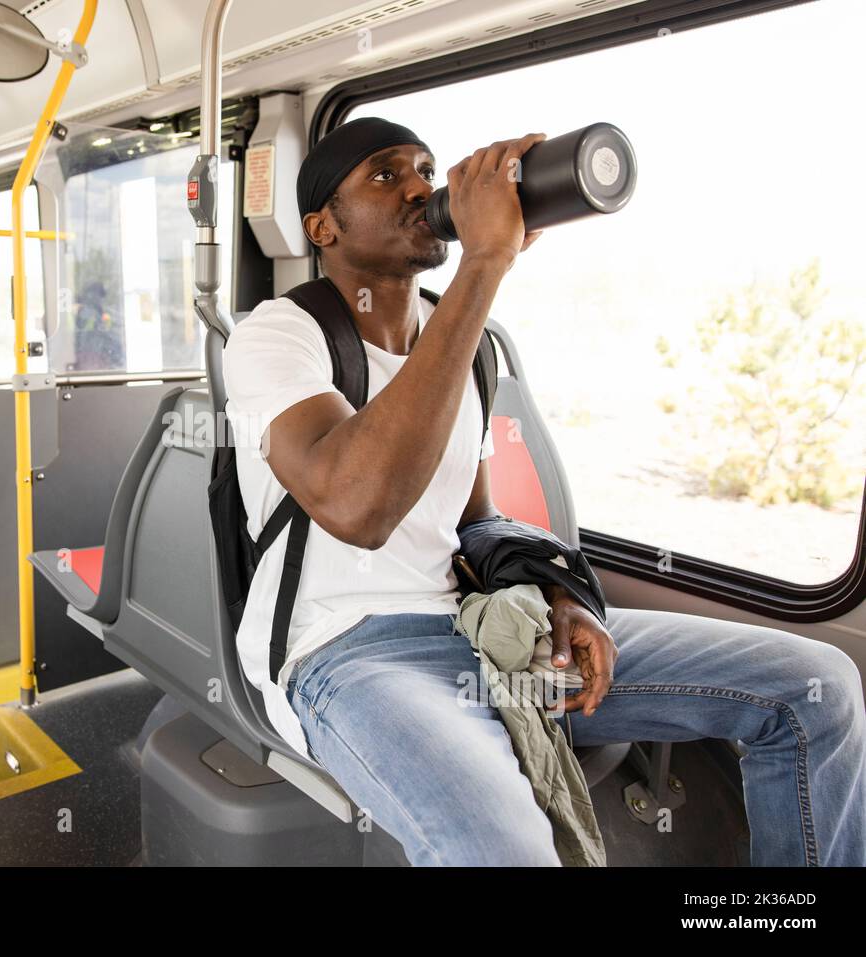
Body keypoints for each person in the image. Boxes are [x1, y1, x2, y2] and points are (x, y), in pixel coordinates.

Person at [221, 117, 866, 866]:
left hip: (476, 629)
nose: (421, 189)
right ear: (322, 226)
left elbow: (476, 524)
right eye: (385, 176)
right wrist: (485, 265)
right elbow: (356, 507)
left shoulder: (464, 340)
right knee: (506, 851)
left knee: (816, 688)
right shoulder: (276, 335)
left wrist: (560, 600)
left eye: (427, 170)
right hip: (346, 651)